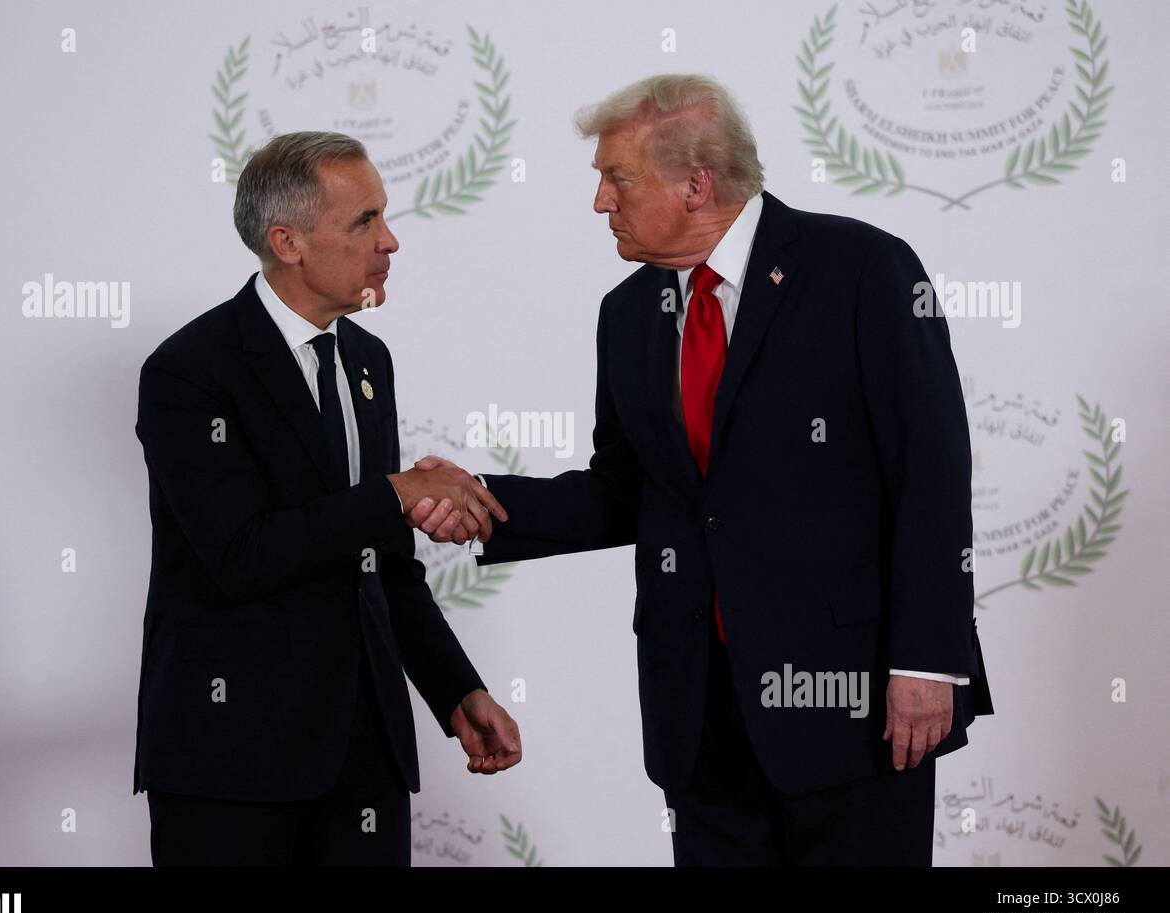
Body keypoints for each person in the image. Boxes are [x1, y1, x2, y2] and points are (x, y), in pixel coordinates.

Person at [415, 74, 992, 865]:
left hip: (855, 708)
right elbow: (627, 490)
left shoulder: (862, 269)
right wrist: (478, 502)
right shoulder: (627, 314)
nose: (600, 204)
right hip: (700, 714)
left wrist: (927, 663)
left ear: (698, 184)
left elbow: (930, 471)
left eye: (616, 180)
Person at [133, 131, 518, 866]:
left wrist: (456, 690)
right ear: (289, 242)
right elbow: (242, 555)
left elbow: (382, 561)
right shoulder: (189, 372)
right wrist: (397, 492)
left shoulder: (367, 360)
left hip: (362, 757)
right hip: (231, 764)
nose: (391, 241)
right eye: (365, 221)